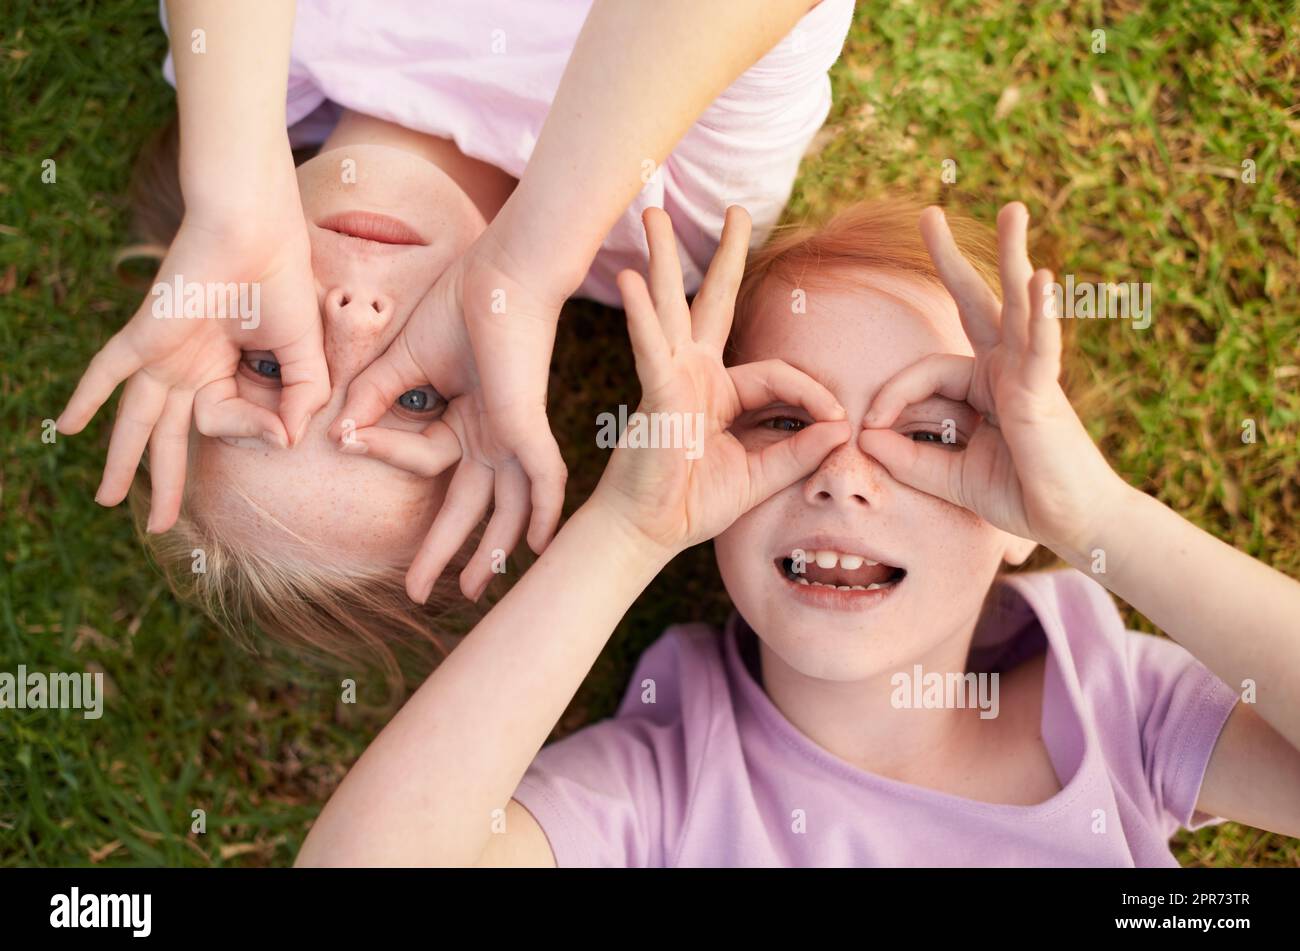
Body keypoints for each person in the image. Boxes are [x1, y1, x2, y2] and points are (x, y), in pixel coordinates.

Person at [295, 199, 1300, 866]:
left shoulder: (1109, 704)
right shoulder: (667, 788)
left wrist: (1099, 519)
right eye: (782, 420)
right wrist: (628, 531)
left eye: (932, 435)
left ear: (1019, 517)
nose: (843, 478)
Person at [56, 0, 853, 669]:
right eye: (412, 396)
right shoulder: (674, 210)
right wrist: (529, 262)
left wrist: (229, 192)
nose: (351, 321)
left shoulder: (243, 64)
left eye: (268, 363)